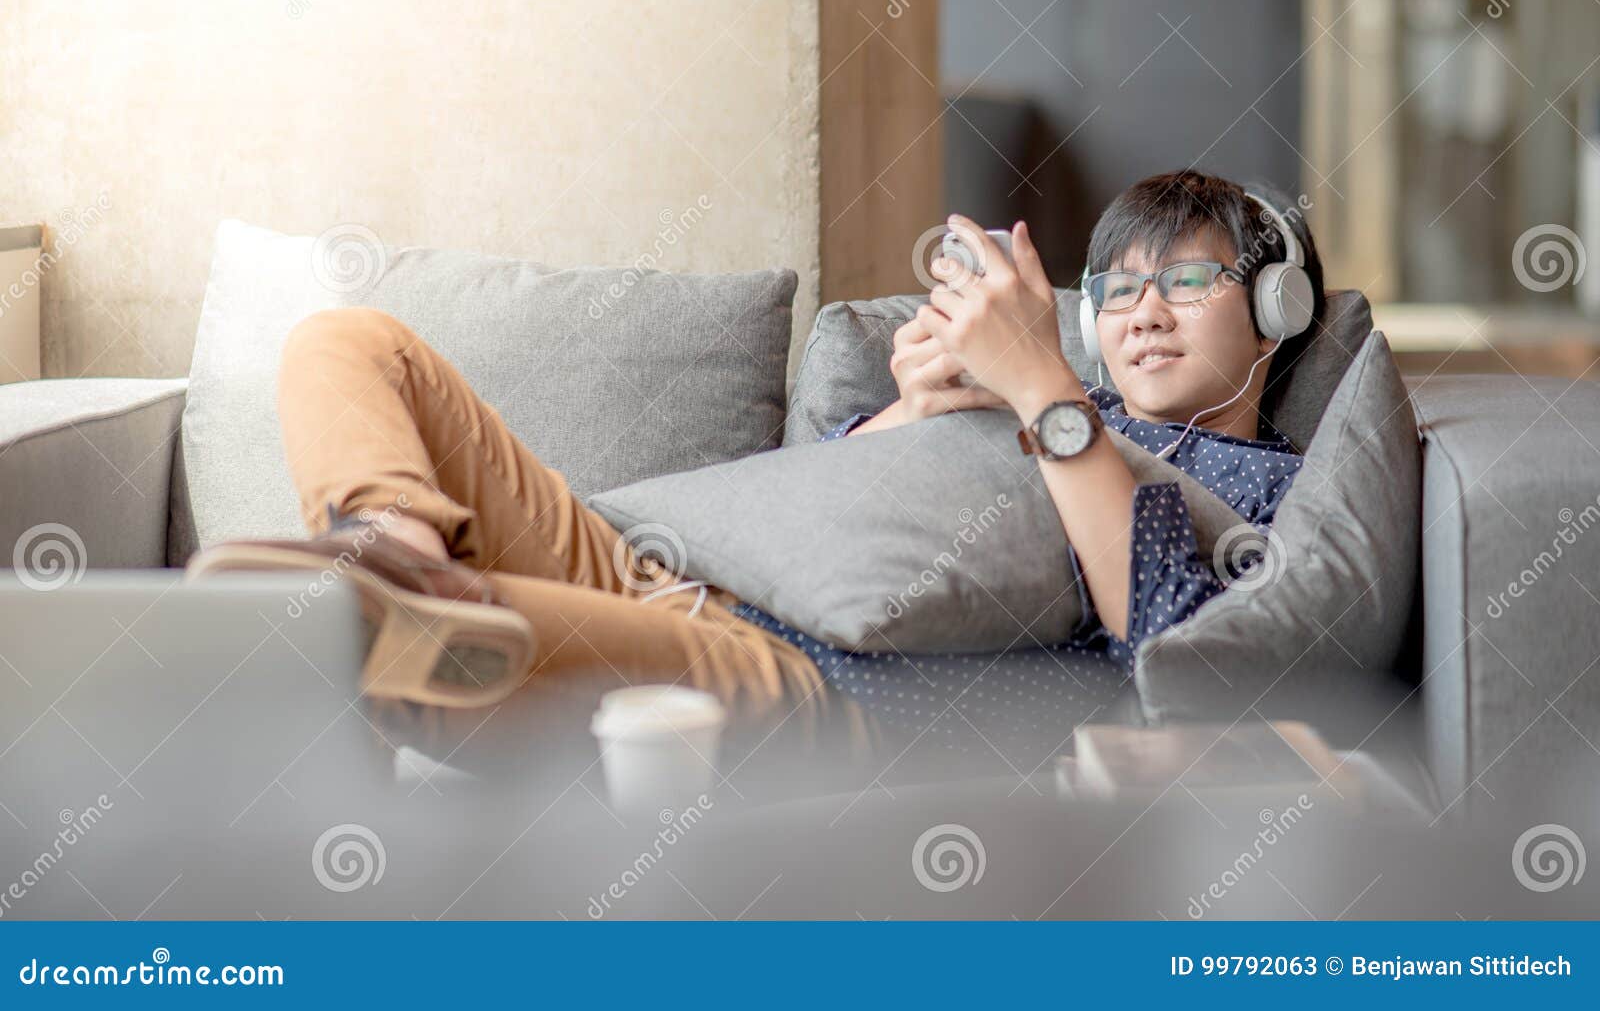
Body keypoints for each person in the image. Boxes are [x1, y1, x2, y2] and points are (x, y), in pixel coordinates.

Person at [187, 168, 1325, 735]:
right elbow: (807, 501)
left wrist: (1041, 392)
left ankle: (390, 627)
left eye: (1187, 280)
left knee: (464, 640)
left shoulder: (1260, 488)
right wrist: (914, 416)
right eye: (1119, 288)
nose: (1142, 311)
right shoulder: (1024, 398)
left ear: (1275, 307)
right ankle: (390, 544)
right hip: (644, 560)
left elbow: (1172, 652)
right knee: (348, 338)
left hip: (793, 677)